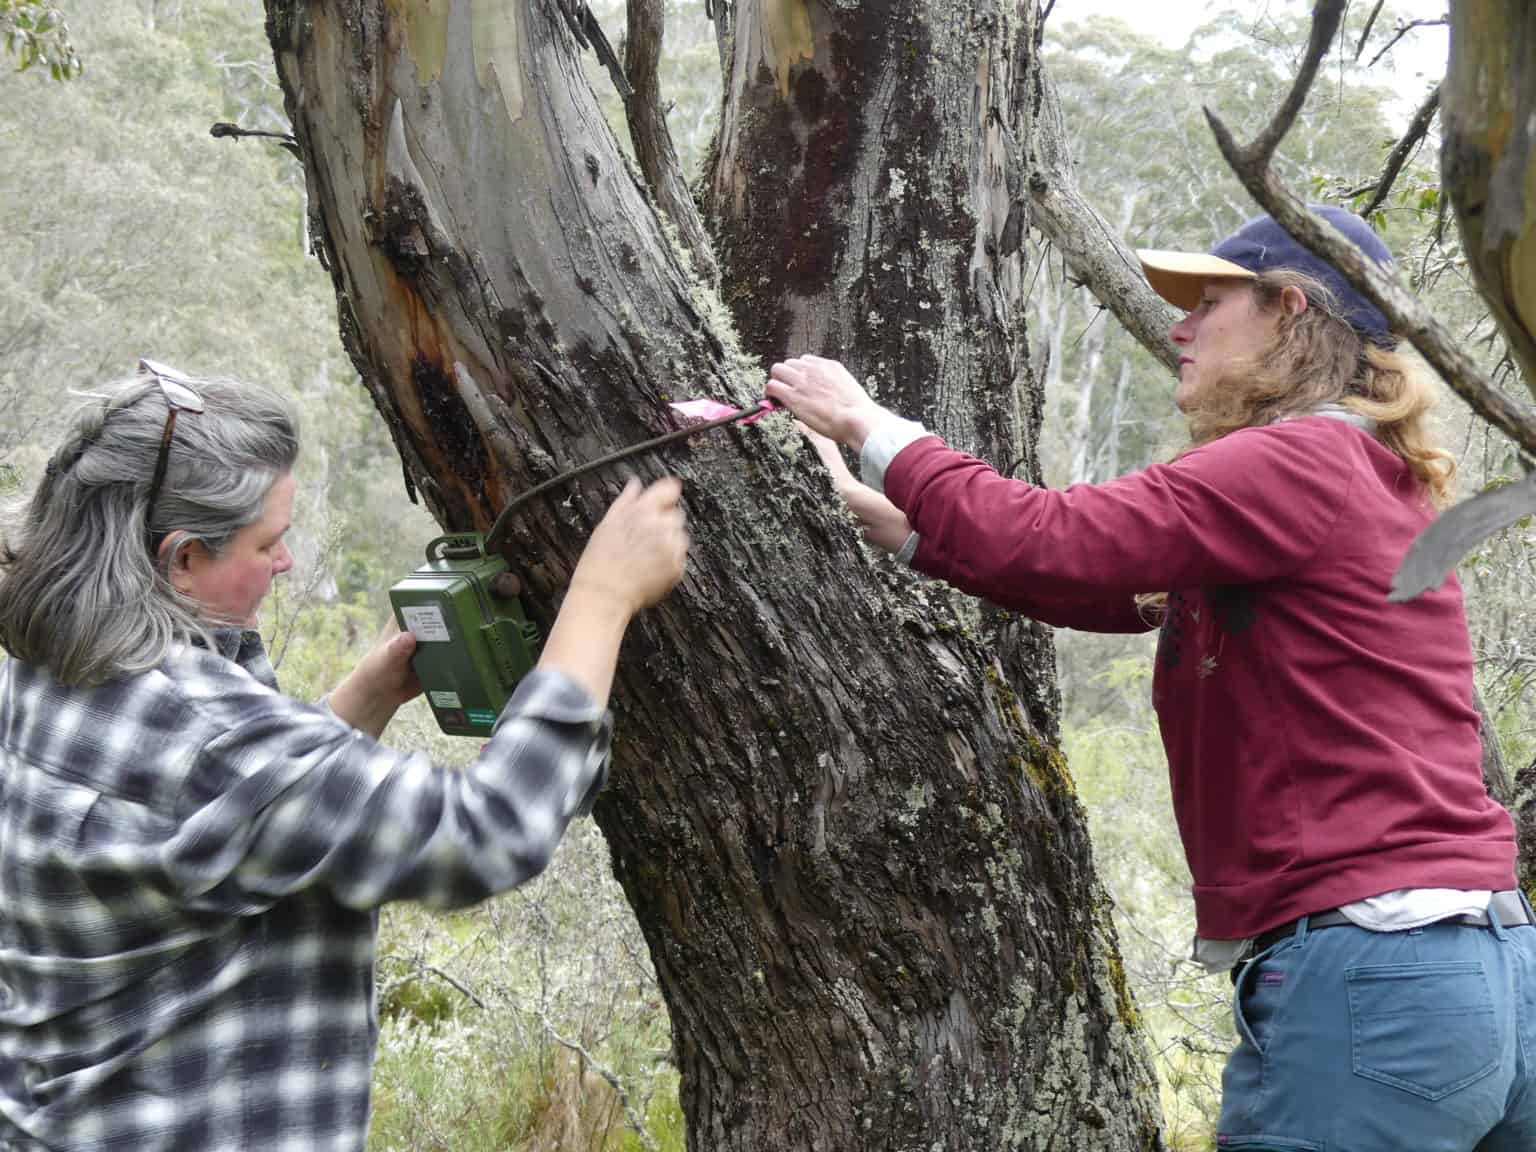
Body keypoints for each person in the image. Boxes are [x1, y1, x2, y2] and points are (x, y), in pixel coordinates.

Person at [766, 207, 1535, 1151]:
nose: (1181, 327)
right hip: (1485, 971)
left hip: (1370, 976)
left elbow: (1055, 533)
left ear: (1289, 310)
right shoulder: (1373, 471)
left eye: (1209, 303)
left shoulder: (1298, 456)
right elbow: (1124, 589)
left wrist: (871, 424)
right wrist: (915, 530)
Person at [0, 360, 688, 1151]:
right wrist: (602, 599)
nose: (286, 562)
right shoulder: (208, 735)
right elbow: (485, 834)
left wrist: (357, 705)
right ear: (181, 557)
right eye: (270, 541)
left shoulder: (55, 668)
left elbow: (208, 828)